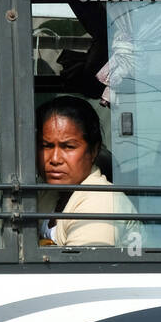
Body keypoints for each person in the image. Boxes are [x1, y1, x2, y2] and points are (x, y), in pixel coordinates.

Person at [36, 95, 137, 247]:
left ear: (94, 150)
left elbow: (79, 268)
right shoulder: (48, 193)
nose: (55, 159)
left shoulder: (101, 202)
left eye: (68, 147)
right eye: (46, 146)